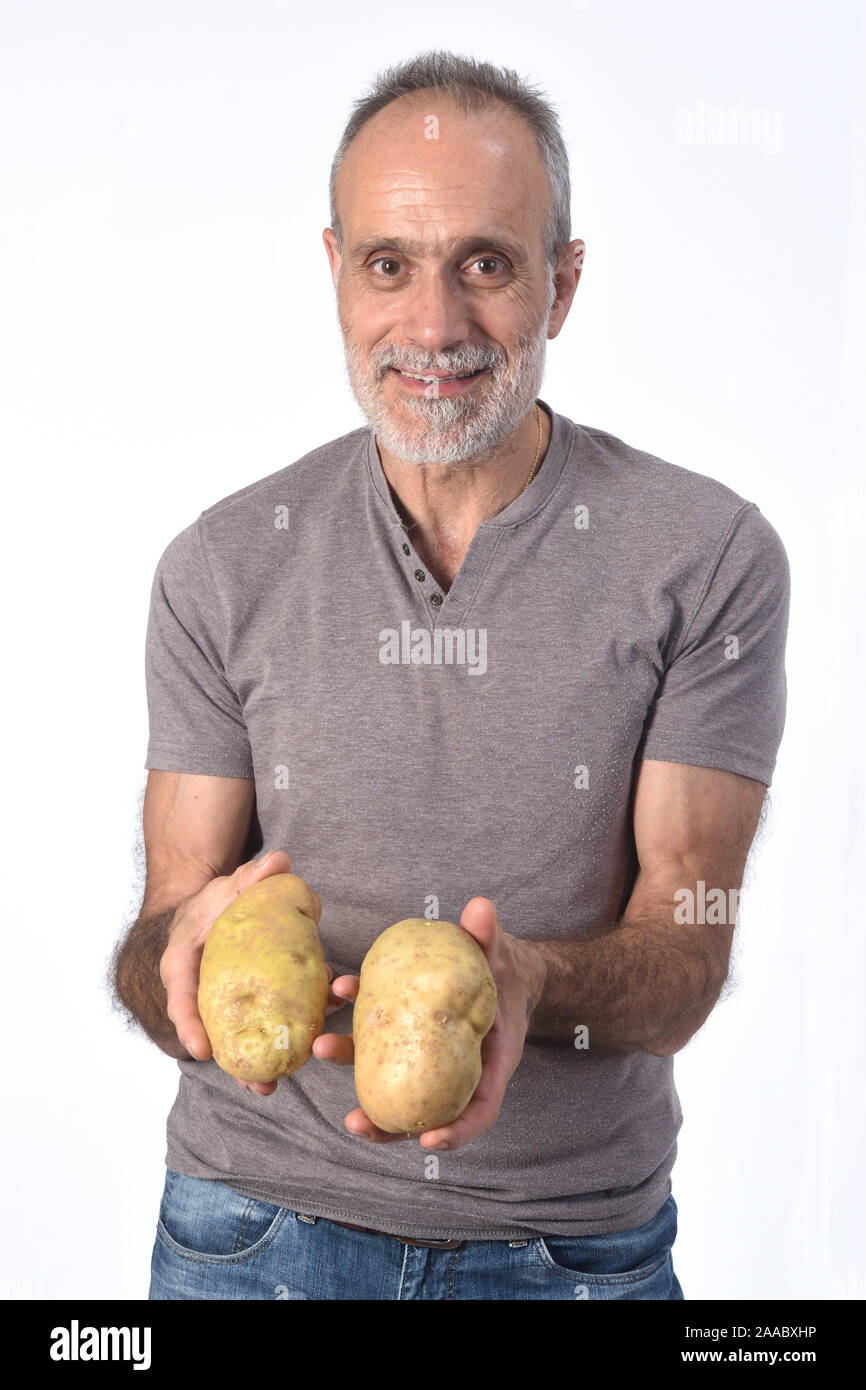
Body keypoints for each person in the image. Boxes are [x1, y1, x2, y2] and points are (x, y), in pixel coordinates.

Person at [112, 50, 790, 1301]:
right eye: (388, 265)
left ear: (561, 283)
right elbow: (167, 923)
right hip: (247, 1235)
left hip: (571, 1251)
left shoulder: (701, 557)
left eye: (484, 263)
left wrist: (527, 981)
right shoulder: (220, 565)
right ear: (333, 275)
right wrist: (172, 963)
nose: (431, 328)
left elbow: (683, 953)